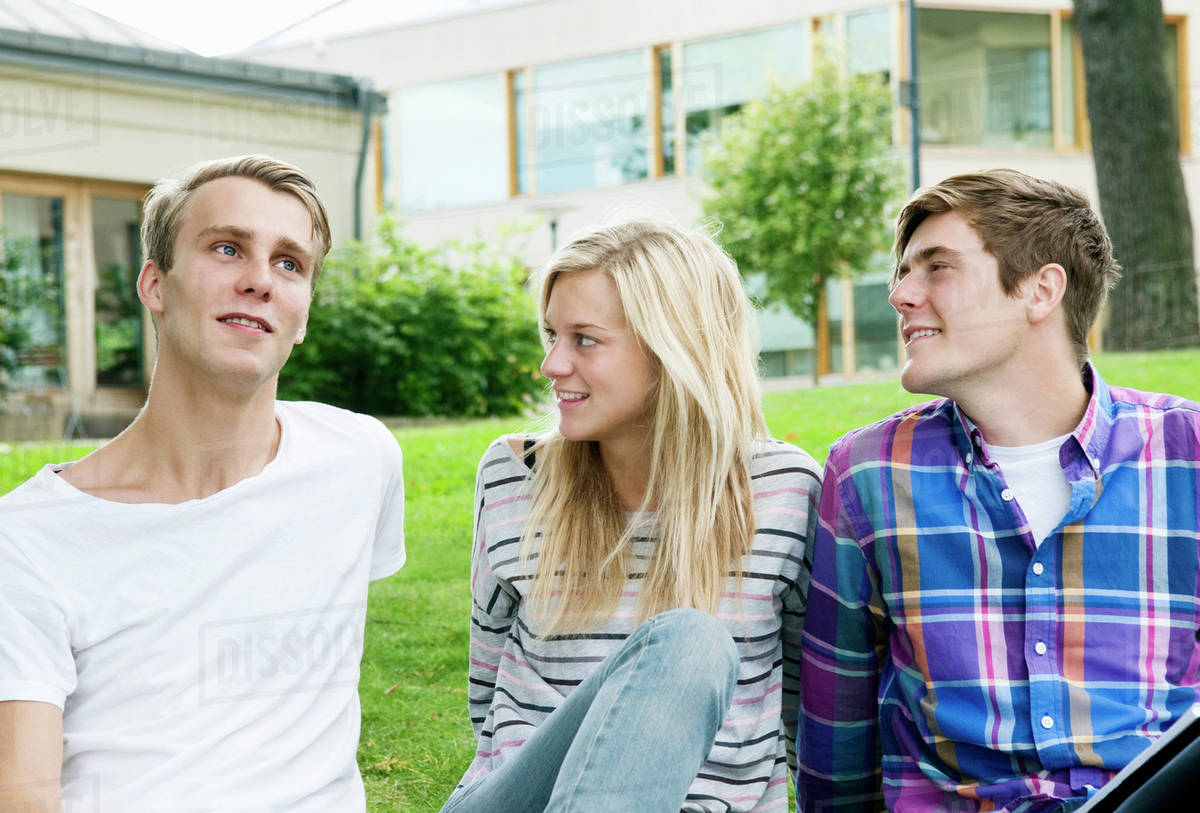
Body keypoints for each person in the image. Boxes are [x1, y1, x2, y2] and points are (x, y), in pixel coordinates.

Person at [0, 156, 406, 811]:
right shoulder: (28, 540)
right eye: (227, 248)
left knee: (639, 657)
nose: (259, 281)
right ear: (156, 284)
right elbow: (23, 798)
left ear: (302, 316)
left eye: (289, 263)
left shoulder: (360, 460)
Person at [797, 169, 1200, 811]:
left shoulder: (1187, 454)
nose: (900, 294)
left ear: (1041, 290)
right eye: (904, 271)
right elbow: (836, 751)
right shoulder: (868, 474)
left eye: (937, 268)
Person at [444, 218, 820, 812]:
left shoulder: (781, 490)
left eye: (584, 340)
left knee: (690, 646)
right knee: (693, 639)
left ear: (673, 347)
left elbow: (806, 705)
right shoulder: (514, 477)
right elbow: (487, 691)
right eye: (551, 336)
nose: (551, 365)